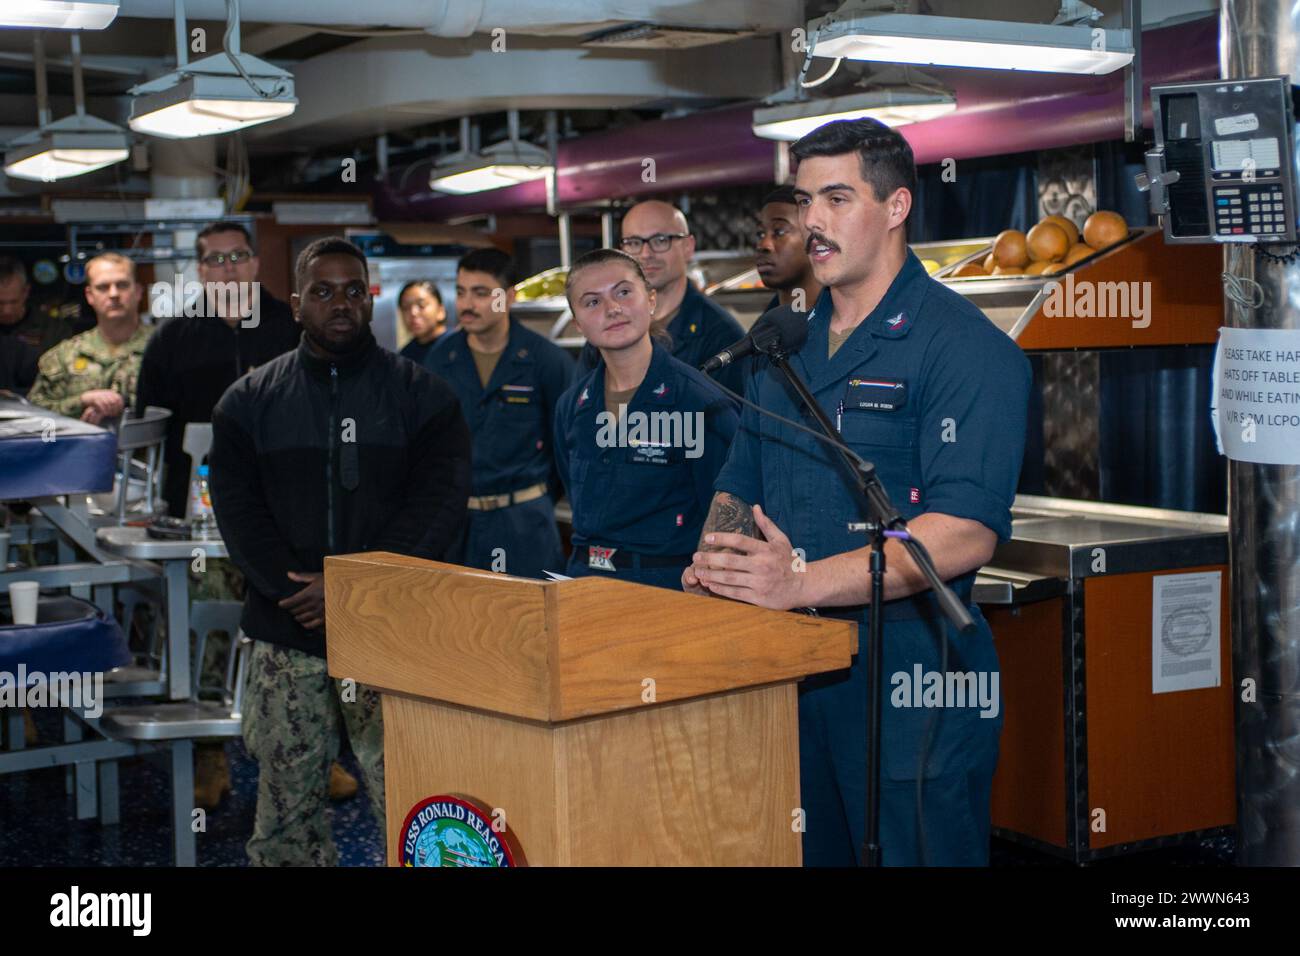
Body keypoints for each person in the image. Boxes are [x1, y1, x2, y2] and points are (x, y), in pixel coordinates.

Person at [685, 119, 1031, 866]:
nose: (812, 221)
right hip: (793, 678)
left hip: (911, 688)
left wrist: (798, 581)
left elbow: (966, 530)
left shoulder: (966, 349)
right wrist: (717, 563)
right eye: (806, 200)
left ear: (899, 206)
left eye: (837, 198)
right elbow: (742, 478)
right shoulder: (786, 343)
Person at [210, 237, 471, 866]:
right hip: (286, 628)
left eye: (353, 289)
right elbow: (238, 514)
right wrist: (292, 588)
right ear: (298, 304)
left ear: (370, 296)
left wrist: (355, 589)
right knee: (284, 809)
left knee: (413, 804)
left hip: (391, 630)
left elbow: (437, 508)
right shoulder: (248, 403)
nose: (340, 303)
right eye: (323, 292)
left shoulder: (424, 398)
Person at [133, 221, 307, 807]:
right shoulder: (174, 338)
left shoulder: (293, 325)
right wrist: (154, 507)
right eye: (214, 260)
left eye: (237, 257)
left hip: (290, 519)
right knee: (209, 628)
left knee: (301, 635)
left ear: (255, 264)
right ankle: (212, 755)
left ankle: (317, 751)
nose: (227, 269)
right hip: (203, 523)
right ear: (200, 270)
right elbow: (149, 433)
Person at [555, 249, 738, 590]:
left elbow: (727, 510)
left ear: (651, 300)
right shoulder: (572, 406)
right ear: (578, 323)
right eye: (592, 302)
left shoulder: (699, 402)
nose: (612, 309)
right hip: (584, 581)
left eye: (623, 292)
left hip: (665, 588)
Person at [425, 250, 574, 579]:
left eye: (480, 293)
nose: (467, 304)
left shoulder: (545, 360)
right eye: (461, 291)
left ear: (508, 297)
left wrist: (536, 497)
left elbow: (567, 445)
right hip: (458, 523)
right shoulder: (439, 360)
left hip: (525, 522)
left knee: (532, 622)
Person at [586, 201, 746, 398]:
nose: (646, 254)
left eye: (660, 240)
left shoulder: (721, 336)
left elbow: (727, 423)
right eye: (634, 243)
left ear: (688, 247)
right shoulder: (609, 327)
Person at [27, 252, 152, 423]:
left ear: (138, 291)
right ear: (89, 295)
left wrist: (125, 404)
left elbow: (181, 403)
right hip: (77, 448)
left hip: (146, 447)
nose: (113, 294)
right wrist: (82, 400)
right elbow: (33, 412)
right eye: (103, 287)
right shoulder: (65, 356)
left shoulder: (163, 348)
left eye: (122, 285)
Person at [0, 256, 77, 390]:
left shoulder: (55, 331)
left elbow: (69, 381)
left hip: (40, 407)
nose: (6, 310)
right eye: (0, 303)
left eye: (13, 302)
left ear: (25, 292)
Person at [755, 184, 821, 314]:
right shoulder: (765, 328)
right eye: (760, 234)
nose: (763, 245)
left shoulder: (848, 327)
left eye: (779, 232)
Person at [397, 280, 448, 365]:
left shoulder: (457, 346)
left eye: (422, 305)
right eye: (406, 307)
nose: (413, 312)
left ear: (440, 311)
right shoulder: (405, 356)